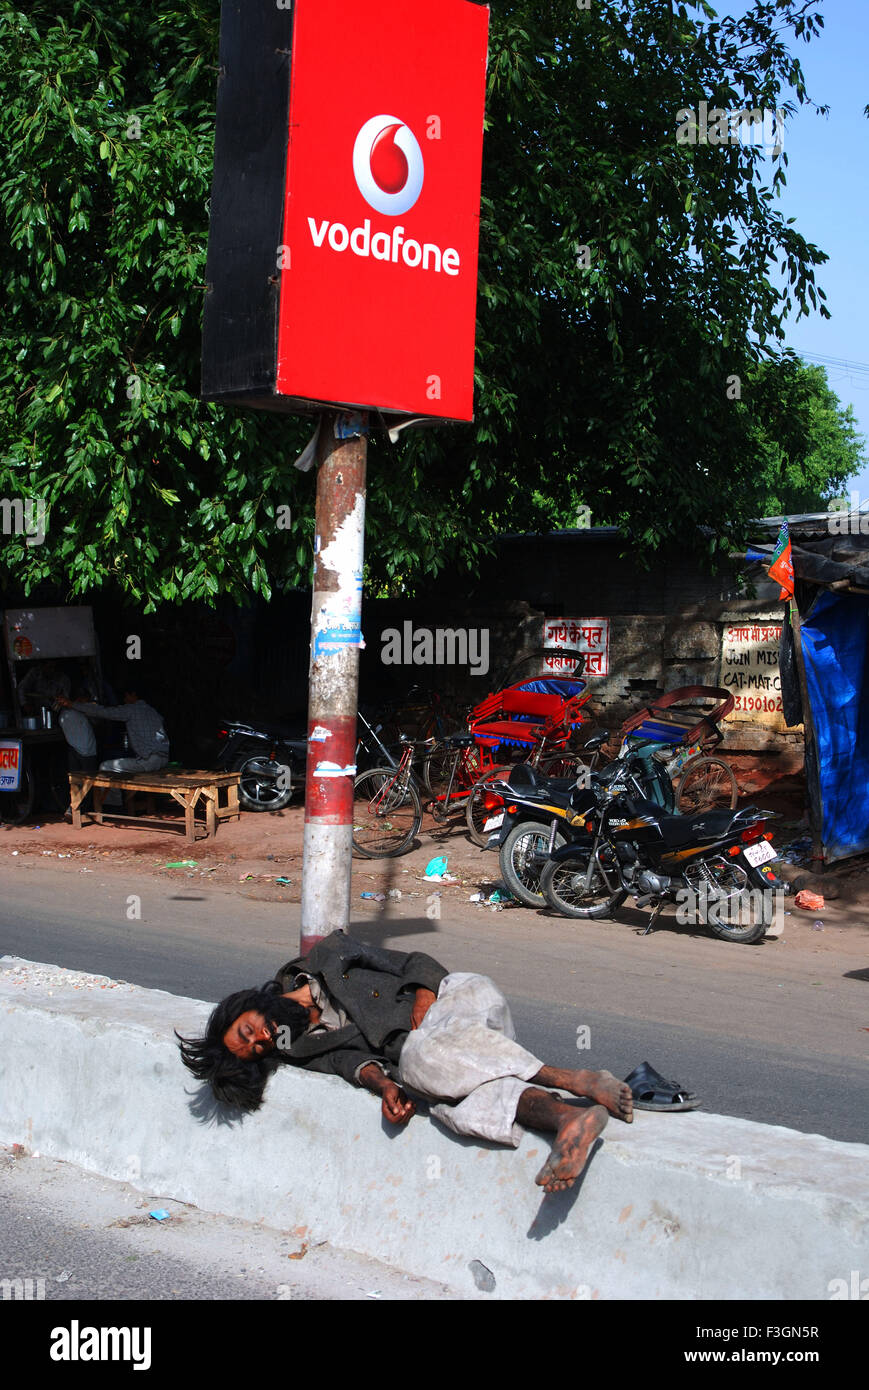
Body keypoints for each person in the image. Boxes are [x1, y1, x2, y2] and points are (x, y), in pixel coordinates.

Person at [177, 931, 634, 1195]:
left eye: (247, 1031)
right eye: (256, 1048)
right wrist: (384, 1087)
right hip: (449, 1061)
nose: (260, 1038)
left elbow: (414, 960)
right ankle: (568, 1117)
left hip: (458, 1000)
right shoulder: (298, 1048)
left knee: (419, 1059)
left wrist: (424, 993)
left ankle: (572, 1078)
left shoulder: (327, 956)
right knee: (459, 1110)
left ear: (245, 1006)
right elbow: (349, 1063)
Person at [56, 686, 169, 772]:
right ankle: (125, 801)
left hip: (149, 761)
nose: (125, 700)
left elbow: (103, 712)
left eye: (126, 696)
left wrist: (72, 704)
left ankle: (114, 803)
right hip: (163, 758)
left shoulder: (131, 709)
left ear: (133, 695)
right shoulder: (152, 711)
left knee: (105, 767)